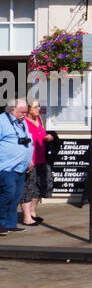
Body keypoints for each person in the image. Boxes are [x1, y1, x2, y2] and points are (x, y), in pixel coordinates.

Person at [0, 104, 33, 235]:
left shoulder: (22, 122)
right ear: (12, 110)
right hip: (6, 167)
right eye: (22, 112)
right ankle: (0, 223)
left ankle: (10, 223)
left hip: (21, 167)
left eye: (25, 112)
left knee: (16, 196)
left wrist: (29, 159)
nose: (25, 114)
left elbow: (28, 141)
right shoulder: (2, 121)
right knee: (8, 193)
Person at [19, 98, 48, 226]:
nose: (39, 109)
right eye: (36, 107)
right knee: (28, 188)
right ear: (29, 108)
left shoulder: (39, 119)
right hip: (30, 159)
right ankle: (26, 216)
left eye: (39, 106)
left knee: (40, 186)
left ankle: (33, 212)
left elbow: (42, 135)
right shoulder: (23, 122)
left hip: (41, 158)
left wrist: (49, 137)